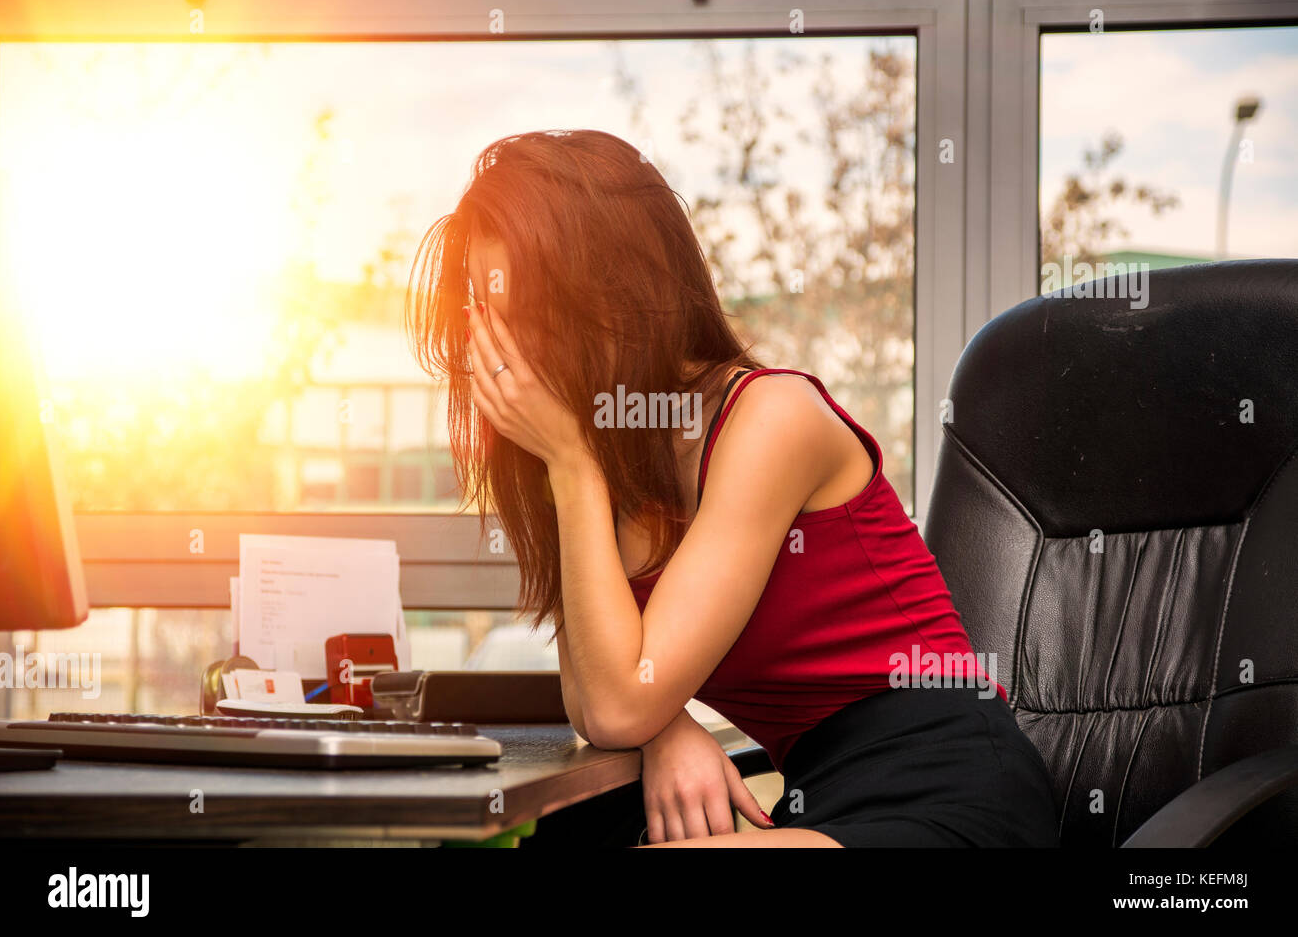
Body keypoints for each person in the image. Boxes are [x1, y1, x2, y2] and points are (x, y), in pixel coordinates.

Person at [406, 128, 1059, 847]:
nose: (508, 358)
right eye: (491, 320)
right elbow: (603, 697)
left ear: (620, 293)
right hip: (820, 798)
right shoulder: (611, 467)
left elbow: (619, 703)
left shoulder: (771, 419)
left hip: (957, 790)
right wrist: (669, 728)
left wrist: (570, 467)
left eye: (529, 317)